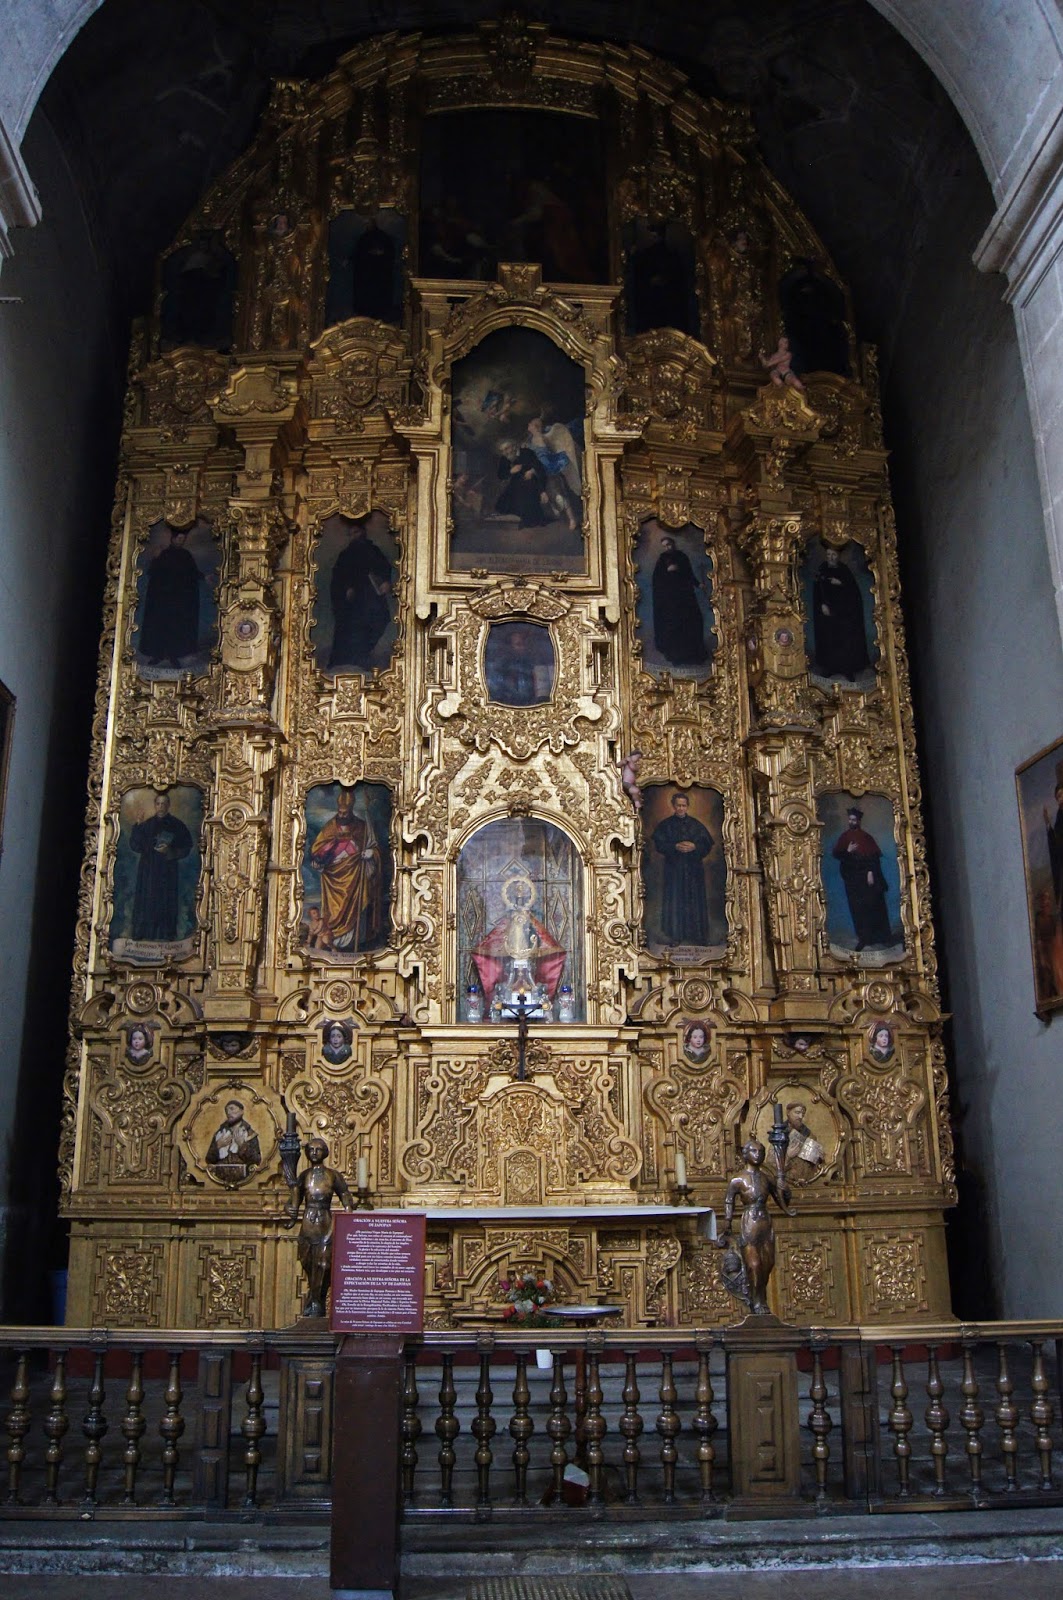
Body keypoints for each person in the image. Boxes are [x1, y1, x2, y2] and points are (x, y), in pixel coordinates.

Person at [716, 1139, 795, 1315]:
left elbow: (782, 1199)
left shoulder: (767, 1179)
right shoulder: (738, 1179)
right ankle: (757, 1302)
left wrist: (785, 1189)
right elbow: (729, 1200)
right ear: (745, 1154)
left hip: (765, 1222)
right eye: (753, 1151)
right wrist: (727, 1222)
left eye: (760, 1152)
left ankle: (759, 1296)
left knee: (768, 1263)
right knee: (753, 1264)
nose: (757, 1155)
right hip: (749, 1221)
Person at [283, 1137, 355, 1318]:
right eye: (311, 1149)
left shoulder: (332, 1175)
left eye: (319, 1149)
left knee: (323, 1265)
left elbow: (344, 1193)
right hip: (308, 1223)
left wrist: (348, 1211)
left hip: (325, 1222)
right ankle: (314, 1301)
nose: (314, 1152)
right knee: (308, 1263)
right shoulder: (304, 1176)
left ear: (325, 1152)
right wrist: (290, 1209)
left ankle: (317, 1303)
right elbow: (293, 1201)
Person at [308, 787, 384, 952]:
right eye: (340, 812)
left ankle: (353, 943)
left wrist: (371, 853)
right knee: (333, 912)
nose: (341, 816)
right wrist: (319, 861)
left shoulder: (363, 827)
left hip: (355, 876)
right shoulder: (330, 827)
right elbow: (317, 850)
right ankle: (333, 942)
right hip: (333, 878)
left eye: (345, 813)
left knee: (356, 908)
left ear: (350, 811)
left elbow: (375, 849)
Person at [327, 516, 393, 672]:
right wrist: (346, 589)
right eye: (351, 534)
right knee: (352, 629)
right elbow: (339, 577)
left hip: (370, 597)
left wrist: (385, 582)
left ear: (362, 532)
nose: (354, 536)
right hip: (352, 602)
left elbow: (384, 569)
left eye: (356, 532)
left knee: (380, 619)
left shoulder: (373, 551)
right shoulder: (345, 555)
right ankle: (351, 659)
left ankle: (362, 654)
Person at [652, 791, 716, 946]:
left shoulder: (696, 824)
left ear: (687, 807)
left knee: (695, 901)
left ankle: (698, 936)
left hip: (694, 870)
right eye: (678, 805)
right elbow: (659, 845)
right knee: (676, 901)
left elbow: (706, 845)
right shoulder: (666, 825)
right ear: (673, 806)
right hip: (674, 870)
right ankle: (676, 936)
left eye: (683, 805)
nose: (681, 808)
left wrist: (695, 846)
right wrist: (675, 846)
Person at [129, 792, 194, 942]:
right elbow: (135, 845)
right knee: (147, 901)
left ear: (168, 805)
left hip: (167, 872)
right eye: (158, 803)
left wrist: (170, 851)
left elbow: (186, 848)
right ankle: (144, 934)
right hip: (148, 871)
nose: (161, 807)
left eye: (164, 804)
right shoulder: (147, 824)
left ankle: (167, 936)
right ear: (155, 805)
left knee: (166, 902)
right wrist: (138, 826)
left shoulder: (177, 825)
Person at [138, 526, 202, 667]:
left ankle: (173, 656)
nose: (182, 541)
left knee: (175, 628)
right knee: (160, 626)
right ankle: (158, 655)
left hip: (178, 600)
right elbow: (152, 572)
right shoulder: (163, 553)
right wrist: (155, 558)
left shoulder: (186, 555)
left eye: (183, 539)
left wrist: (205, 577)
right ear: (173, 539)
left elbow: (193, 572)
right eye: (180, 538)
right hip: (162, 599)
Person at [831, 806, 893, 950]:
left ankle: (879, 937)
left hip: (867, 878)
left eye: (854, 819)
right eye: (850, 819)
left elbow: (874, 857)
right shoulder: (845, 837)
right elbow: (837, 854)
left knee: (872, 906)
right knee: (857, 909)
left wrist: (871, 872)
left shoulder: (866, 837)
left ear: (858, 821)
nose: (851, 822)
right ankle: (863, 938)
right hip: (852, 879)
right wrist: (848, 851)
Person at [812, 546, 871, 681]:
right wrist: (821, 605)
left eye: (833, 554)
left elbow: (853, 593)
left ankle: (847, 669)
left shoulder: (844, 571)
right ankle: (830, 667)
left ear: (838, 556)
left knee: (845, 641)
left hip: (844, 614)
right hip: (828, 615)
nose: (831, 557)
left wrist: (840, 583)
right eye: (828, 554)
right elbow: (818, 589)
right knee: (830, 640)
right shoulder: (822, 569)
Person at [652, 536, 709, 668]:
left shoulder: (682, 557)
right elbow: (657, 579)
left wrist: (698, 584)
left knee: (692, 620)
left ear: (673, 544)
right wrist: (668, 572)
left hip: (685, 595)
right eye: (665, 546)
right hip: (671, 598)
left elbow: (689, 573)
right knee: (675, 623)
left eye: (669, 545)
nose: (668, 547)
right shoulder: (662, 559)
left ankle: (693, 652)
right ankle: (676, 654)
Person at [495, 439, 550, 527]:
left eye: (506, 449)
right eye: (502, 451)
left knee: (527, 500)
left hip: (531, 482)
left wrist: (532, 471)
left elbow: (539, 467)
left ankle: (531, 519)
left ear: (513, 447)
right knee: (501, 505)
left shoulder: (527, 452)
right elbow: (500, 475)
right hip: (515, 483)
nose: (505, 452)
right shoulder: (504, 458)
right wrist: (511, 471)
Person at [206, 1099, 262, 1175]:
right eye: (226, 1110)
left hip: (244, 1177)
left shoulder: (250, 1134)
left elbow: (256, 1160)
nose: (228, 1113)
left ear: (242, 1111)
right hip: (220, 1177)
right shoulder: (220, 1134)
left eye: (232, 1109)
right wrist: (218, 1145)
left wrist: (242, 1145)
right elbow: (209, 1159)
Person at [784, 1102, 824, 1182]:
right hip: (787, 1182)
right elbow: (771, 1167)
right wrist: (787, 1156)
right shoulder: (779, 1133)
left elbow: (817, 1164)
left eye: (803, 1114)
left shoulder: (808, 1134)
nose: (800, 1117)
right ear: (788, 1112)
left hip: (808, 1181)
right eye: (797, 1112)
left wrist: (819, 1157)